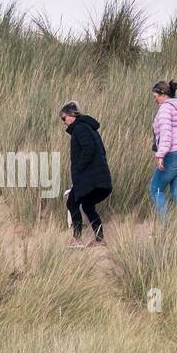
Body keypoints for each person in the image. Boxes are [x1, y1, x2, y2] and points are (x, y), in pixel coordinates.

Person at [60, 101, 113, 248]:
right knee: (88, 206)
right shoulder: (90, 128)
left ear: (72, 115)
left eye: (63, 119)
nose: (63, 123)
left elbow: (88, 149)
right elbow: (101, 151)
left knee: (72, 202)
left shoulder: (80, 129)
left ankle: (77, 239)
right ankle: (100, 239)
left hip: (90, 178)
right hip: (100, 179)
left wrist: (78, 169)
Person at [149, 80, 177, 220]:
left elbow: (166, 132)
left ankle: (165, 228)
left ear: (162, 94)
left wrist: (161, 154)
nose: (155, 99)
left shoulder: (165, 108)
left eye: (155, 96)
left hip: (174, 154)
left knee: (155, 189)